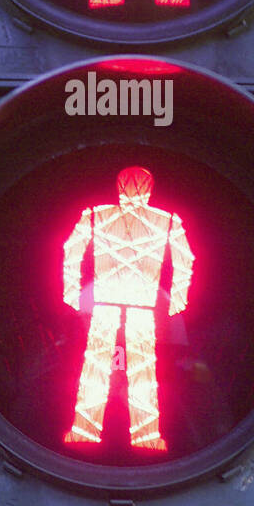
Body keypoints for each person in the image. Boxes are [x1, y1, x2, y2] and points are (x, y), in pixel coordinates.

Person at [62, 166, 194, 451]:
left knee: (102, 368)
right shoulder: (167, 221)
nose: (134, 192)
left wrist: (73, 294)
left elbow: (70, 251)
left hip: (114, 304)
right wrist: (177, 301)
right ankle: (143, 438)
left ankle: (87, 431)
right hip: (134, 305)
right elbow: (185, 260)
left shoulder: (96, 215)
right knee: (138, 370)